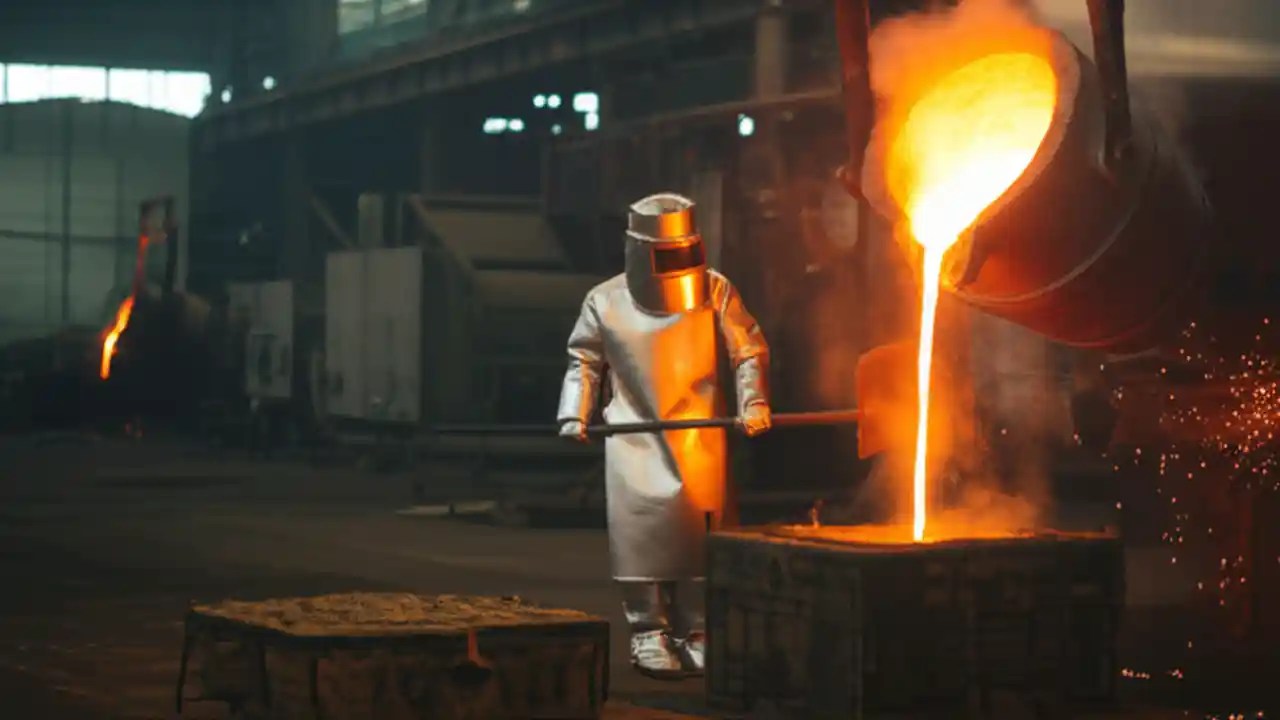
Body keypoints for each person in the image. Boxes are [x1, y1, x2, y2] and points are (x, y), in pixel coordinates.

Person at [556, 192, 772, 678]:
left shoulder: (714, 290)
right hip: (634, 436)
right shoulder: (605, 301)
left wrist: (753, 400)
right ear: (638, 252)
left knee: (699, 538)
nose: (680, 268)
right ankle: (648, 630)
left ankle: (698, 629)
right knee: (640, 539)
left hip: (698, 437)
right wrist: (576, 412)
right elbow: (585, 360)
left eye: (687, 254)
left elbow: (748, 350)